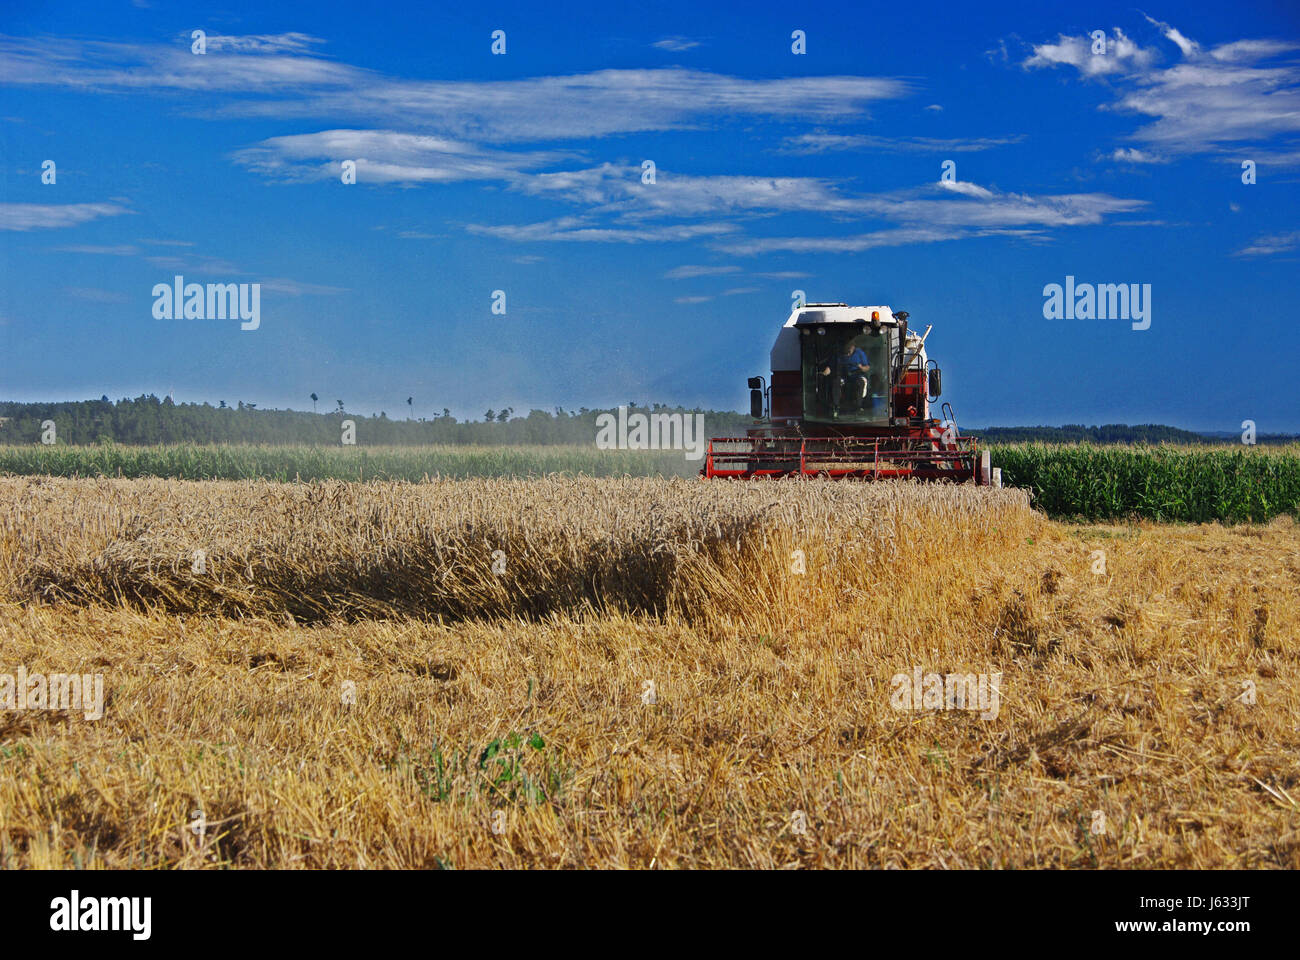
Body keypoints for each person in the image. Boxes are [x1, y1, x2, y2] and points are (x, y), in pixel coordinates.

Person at [820, 338, 870, 416]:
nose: (847, 353)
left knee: (860, 382)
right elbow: (830, 367)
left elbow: (867, 367)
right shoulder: (839, 354)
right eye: (845, 349)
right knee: (836, 381)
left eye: (849, 349)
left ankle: (858, 406)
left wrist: (861, 368)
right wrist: (825, 372)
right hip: (844, 376)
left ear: (853, 347)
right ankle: (836, 406)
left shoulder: (859, 353)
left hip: (857, 375)